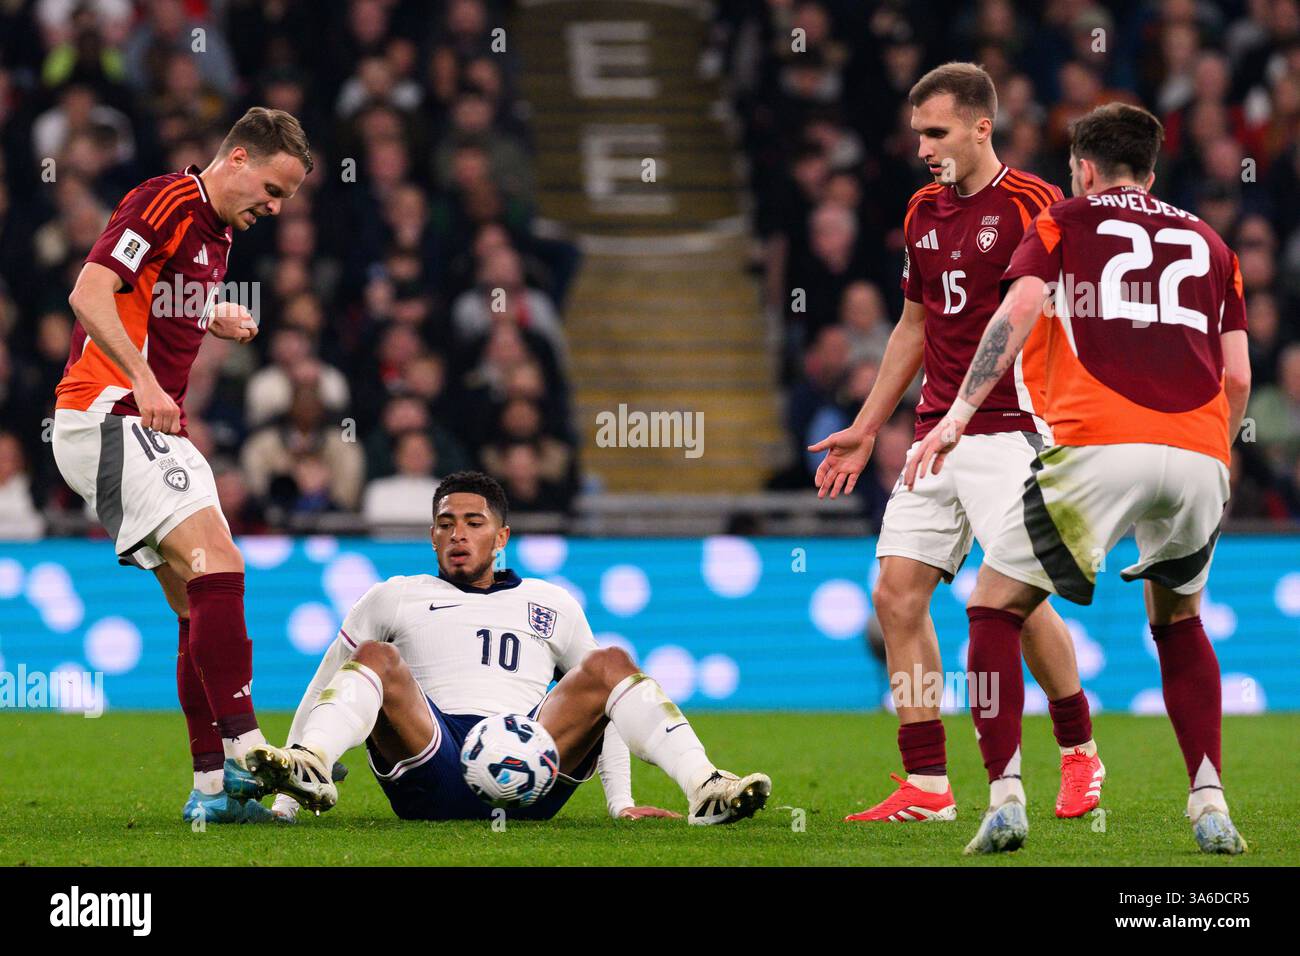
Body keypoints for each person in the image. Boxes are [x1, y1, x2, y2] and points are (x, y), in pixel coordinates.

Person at [906, 103, 1252, 855]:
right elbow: (1238, 374)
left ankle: (1003, 799)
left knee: (995, 608)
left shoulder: (1061, 221)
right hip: (1199, 449)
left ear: (1085, 168)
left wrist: (959, 413)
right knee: (1180, 625)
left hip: (1099, 441)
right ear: (1152, 172)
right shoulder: (1213, 242)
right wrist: (1214, 455)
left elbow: (1017, 314)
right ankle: (1210, 800)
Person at [810, 63, 1105, 823]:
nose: (923, 148)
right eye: (916, 134)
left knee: (1014, 601)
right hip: (934, 432)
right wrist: (868, 426)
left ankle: (1080, 752)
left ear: (982, 127)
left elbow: (1032, 316)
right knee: (896, 595)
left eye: (936, 132)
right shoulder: (921, 212)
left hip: (1017, 431)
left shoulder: (1036, 204)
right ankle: (929, 785)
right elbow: (914, 326)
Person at [51, 107, 313, 825]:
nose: (276, 206)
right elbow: (90, 292)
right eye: (272, 187)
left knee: (198, 602)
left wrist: (208, 311)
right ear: (234, 159)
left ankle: (211, 792)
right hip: (110, 411)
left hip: (139, 422)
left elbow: (147, 297)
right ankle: (252, 749)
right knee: (221, 564)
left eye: (285, 197)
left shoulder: (218, 235)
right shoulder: (166, 199)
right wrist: (140, 377)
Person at [250, 471, 771, 826]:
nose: (458, 535)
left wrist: (621, 803)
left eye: (473, 524)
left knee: (609, 664)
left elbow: (609, 707)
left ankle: (704, 786)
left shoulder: (552, 602)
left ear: (501, 536)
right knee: (377, 659)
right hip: (433, 758)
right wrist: (286, 802)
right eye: (446, 524)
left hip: (532, 760)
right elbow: (326, 684)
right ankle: (312, 765)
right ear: (432, 536)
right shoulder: (393, 596)